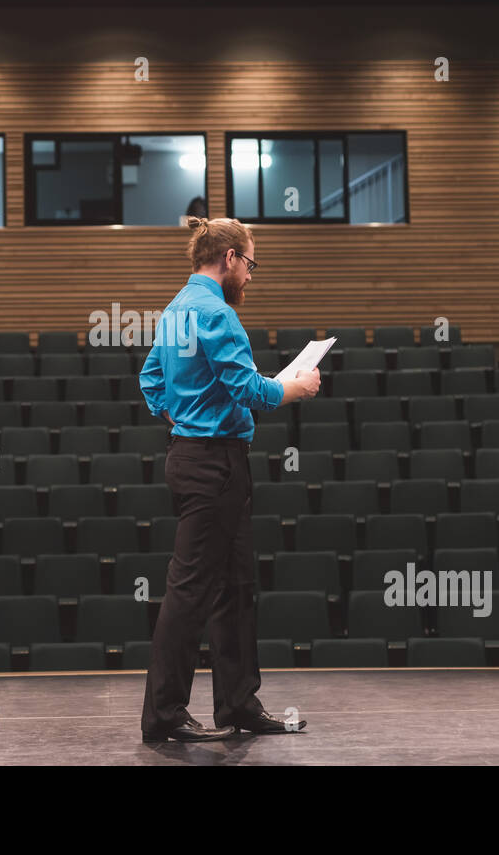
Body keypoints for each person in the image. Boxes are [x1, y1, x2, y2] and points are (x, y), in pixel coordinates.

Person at [138, 216, 321, 743]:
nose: (251, 275)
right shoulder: (216, 313)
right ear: (230, 259)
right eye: (251, 264)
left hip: (199, 458)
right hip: (214, 464)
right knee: (190, 591)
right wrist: (297, 386)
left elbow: (150, 378)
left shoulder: (176, 309)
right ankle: (164, 714)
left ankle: (239, 703)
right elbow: (251, 392)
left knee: (236, 588)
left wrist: (177, 415)